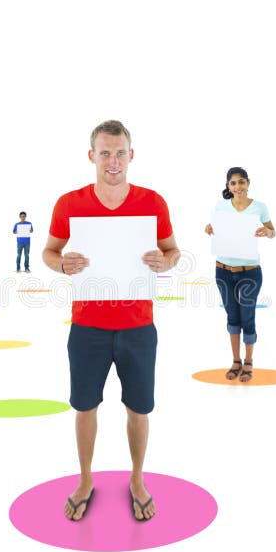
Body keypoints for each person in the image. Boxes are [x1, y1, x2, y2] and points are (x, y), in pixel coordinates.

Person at [43, 120, 179, 522]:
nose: (113, 161)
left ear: (131, 156)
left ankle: (137, 479)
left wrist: (164, 260)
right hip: (87, 326)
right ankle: (85, 480)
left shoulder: (152, 202)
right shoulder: (70, 204)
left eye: (120, 153)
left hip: (139, 325)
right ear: (92, 156)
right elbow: (50, 253)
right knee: (85, 407)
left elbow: (172, 251)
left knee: (139, 409)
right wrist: (61, 264)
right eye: (105, 153)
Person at [205, 167, 275, 383]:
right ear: (228, 186)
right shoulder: (221, 206)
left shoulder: (259, 207)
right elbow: (214, 228)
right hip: (223, 271)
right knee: (232, 317)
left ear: (248, 183)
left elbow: (273, 231)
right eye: (233, 183)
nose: (238, 187)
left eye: (241, 182)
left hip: (250, 273)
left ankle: (249, 361)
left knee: (247, 317)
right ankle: (235, 361)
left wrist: (267, 232)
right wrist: (208, 228)